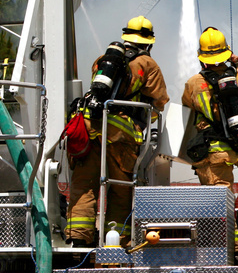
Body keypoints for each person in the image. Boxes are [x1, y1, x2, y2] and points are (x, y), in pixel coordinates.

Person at [66, 16, 169, 247]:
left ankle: (78, 242)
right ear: (149, 43)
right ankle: (116, 244)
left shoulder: (102, 60)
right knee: (120, 191)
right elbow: (159, 102)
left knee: (84, 185)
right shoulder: (148, 65)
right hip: (120, 135)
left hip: (89, 127)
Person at [181, 28, 238, 218]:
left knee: (220, 200)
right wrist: (235, 69)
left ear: (201, 56)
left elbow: (187, 106)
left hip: (216, 149)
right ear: (227, 52)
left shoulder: (194, 83)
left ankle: (233, 245)